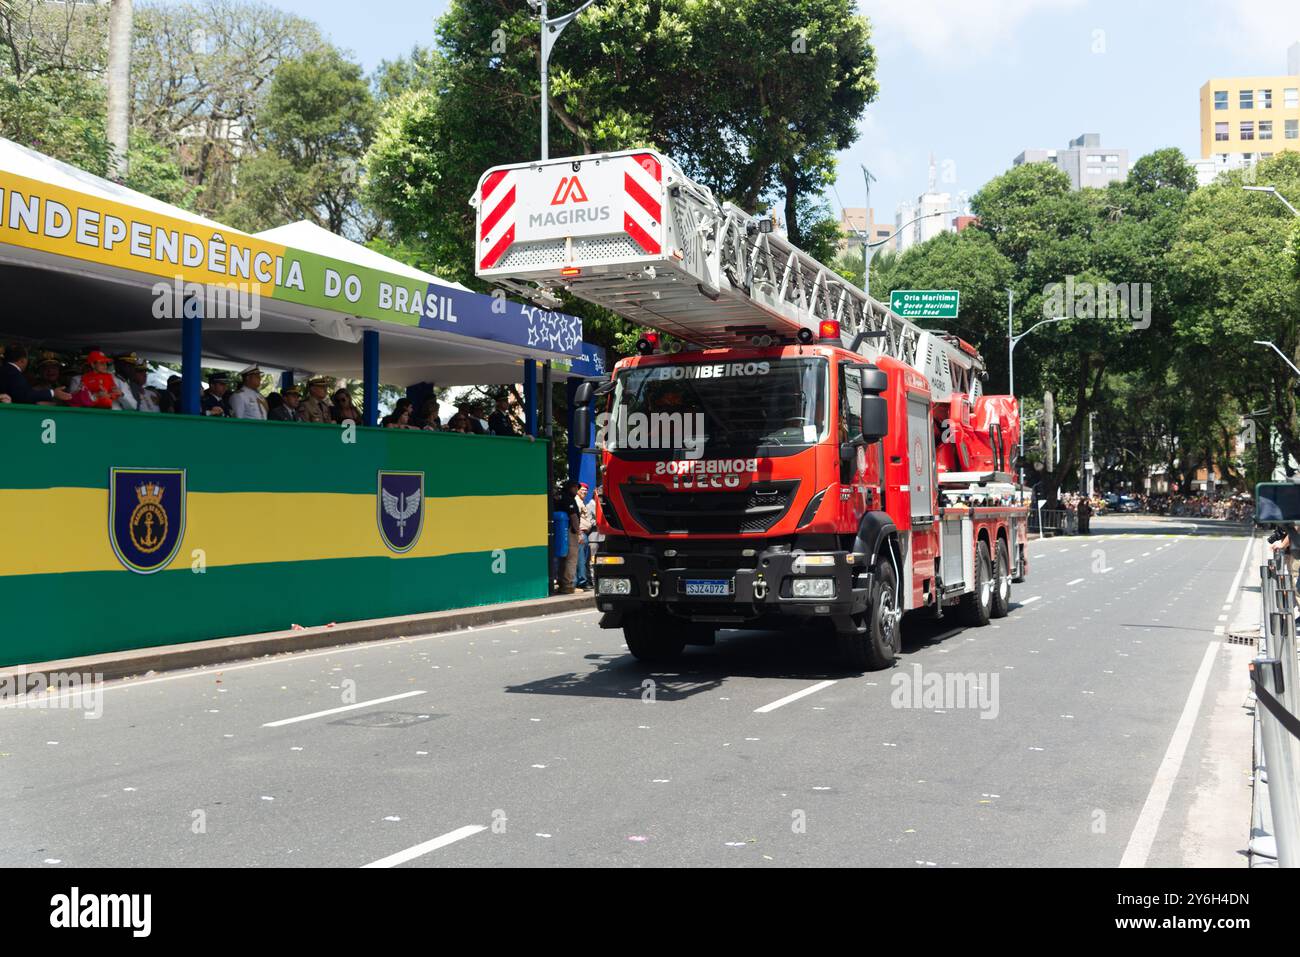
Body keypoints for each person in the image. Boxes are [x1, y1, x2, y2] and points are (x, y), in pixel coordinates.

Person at [1, 344, 71, 404]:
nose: (50, 371)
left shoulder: (65, 386)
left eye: (54, 367)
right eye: (45, 368)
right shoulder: (33, 388)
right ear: (39, 371)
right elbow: (25, 397)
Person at [559, 479, 583, 594]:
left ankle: (562, 583)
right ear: (569, 488)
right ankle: (568, 585)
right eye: (574, 487)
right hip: (570, 531)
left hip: (561, 532)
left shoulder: (560, 498)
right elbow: (573, 516)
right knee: (572, 558)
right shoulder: (568, 499)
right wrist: (579, 533)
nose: (576, 490)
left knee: (563, 558)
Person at [576, 482, 596, 589]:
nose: (584, 492)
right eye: (582, 489)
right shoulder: (577, 502)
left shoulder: (582, 502)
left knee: (584, 559)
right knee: (581, 560)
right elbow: (576, 519)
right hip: (581, 533)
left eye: (586, 490)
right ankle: (582, 582)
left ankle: (583, 581)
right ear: (577, 490)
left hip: (584, 534)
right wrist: (579, 534)